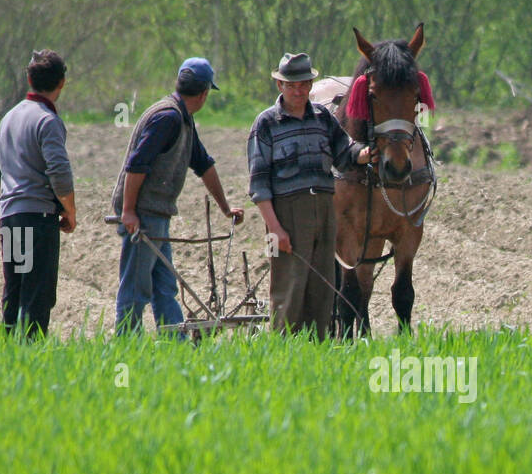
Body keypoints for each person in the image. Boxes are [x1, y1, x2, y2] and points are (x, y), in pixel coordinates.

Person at [111, 57, 244, 334]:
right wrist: (128, 210)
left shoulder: (183, 119)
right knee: (136, 288)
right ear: (205, 93)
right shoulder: (168, 118)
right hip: (143, 214)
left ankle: (175, 344)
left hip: (157, 213)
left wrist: (225, 209)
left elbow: (203, 163)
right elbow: (136, 165)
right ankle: (125, 345)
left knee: (164, 287)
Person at [247, 52, 374, 338]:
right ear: (280, 86)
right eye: (291, 85)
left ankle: (318, 345)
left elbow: (345, 154)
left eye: (303, 84)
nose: (298, 90)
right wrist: (276, 229)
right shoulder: (266, 123)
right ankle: (285, 347)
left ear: (311, 84)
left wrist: (365, 154)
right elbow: (258, 185)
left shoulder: (323, 118)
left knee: (323, 285)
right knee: (290, 285)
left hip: (324, 209)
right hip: (286, 213)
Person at [0, 49, 76, 338]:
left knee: (14, 290)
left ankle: (9, 349)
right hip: (38, 219)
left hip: (10, 217)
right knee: (38, 294)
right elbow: (59, 172)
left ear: (29, 78)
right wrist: (70, 211)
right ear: (61, 82)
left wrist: (13, 188)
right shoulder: (47, 121)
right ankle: (31, 353)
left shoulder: (9, 118)